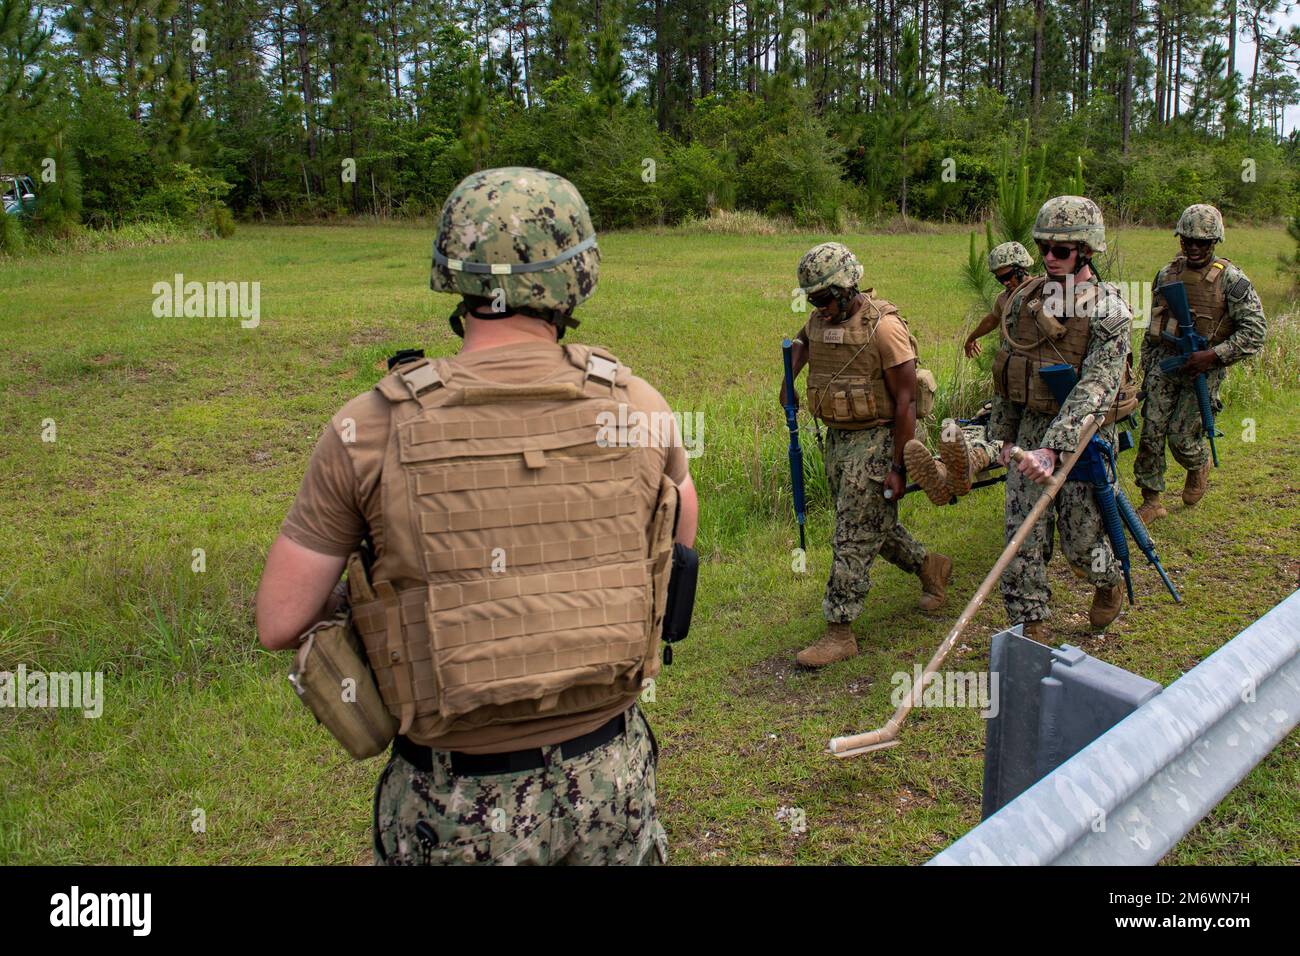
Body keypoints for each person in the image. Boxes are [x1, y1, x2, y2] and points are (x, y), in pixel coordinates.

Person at [255, 166, 698, 866]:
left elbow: (280, 619)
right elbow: (678, 544)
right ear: (574, 278)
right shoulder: (641, 407)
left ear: (456, 281)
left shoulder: (369, 427)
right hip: (611, 782)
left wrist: (393, 592)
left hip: (453, 805)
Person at [780, 242, 951, 668]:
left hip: (877, 438)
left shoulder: (884, 328)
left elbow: (906, 402)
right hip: (837, 438)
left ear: (845, 288)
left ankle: (840, 631)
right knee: (872, 522)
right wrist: (790, 379)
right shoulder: (821, 318)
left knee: (852, 534)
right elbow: (803, 340)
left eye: (822, 298)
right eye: (812, 300)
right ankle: (931, 566)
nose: (817, 308)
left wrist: (899, 465)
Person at [987, 196, 1139, 641]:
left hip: (1083, 437)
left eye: (1062, 250)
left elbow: (1096, 387)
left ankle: (1107, 580)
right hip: (1030, 431)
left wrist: (1053, 448)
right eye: (1045, 248)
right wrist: (1002, 439)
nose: (1050, 259)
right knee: (1022, 539)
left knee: (1082, 544)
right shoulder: (1023, 303)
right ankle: (1030, 624)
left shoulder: (1110, 311)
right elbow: (1010, 372)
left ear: (1087, 251)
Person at [1133, 204, 1267, 523]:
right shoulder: (1166, 274)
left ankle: (1198, 463)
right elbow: (1154, 323)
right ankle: (1152, 499)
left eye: (1202, 242)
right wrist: (1147, 365)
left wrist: (1213, 356)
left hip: (1204, 369)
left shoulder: (1232, 281)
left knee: (1181, 438)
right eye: (1188, 240)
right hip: (1166, 362)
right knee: (1151, 430)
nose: (1194, 247)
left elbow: (1256, 331)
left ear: (1214, 242)